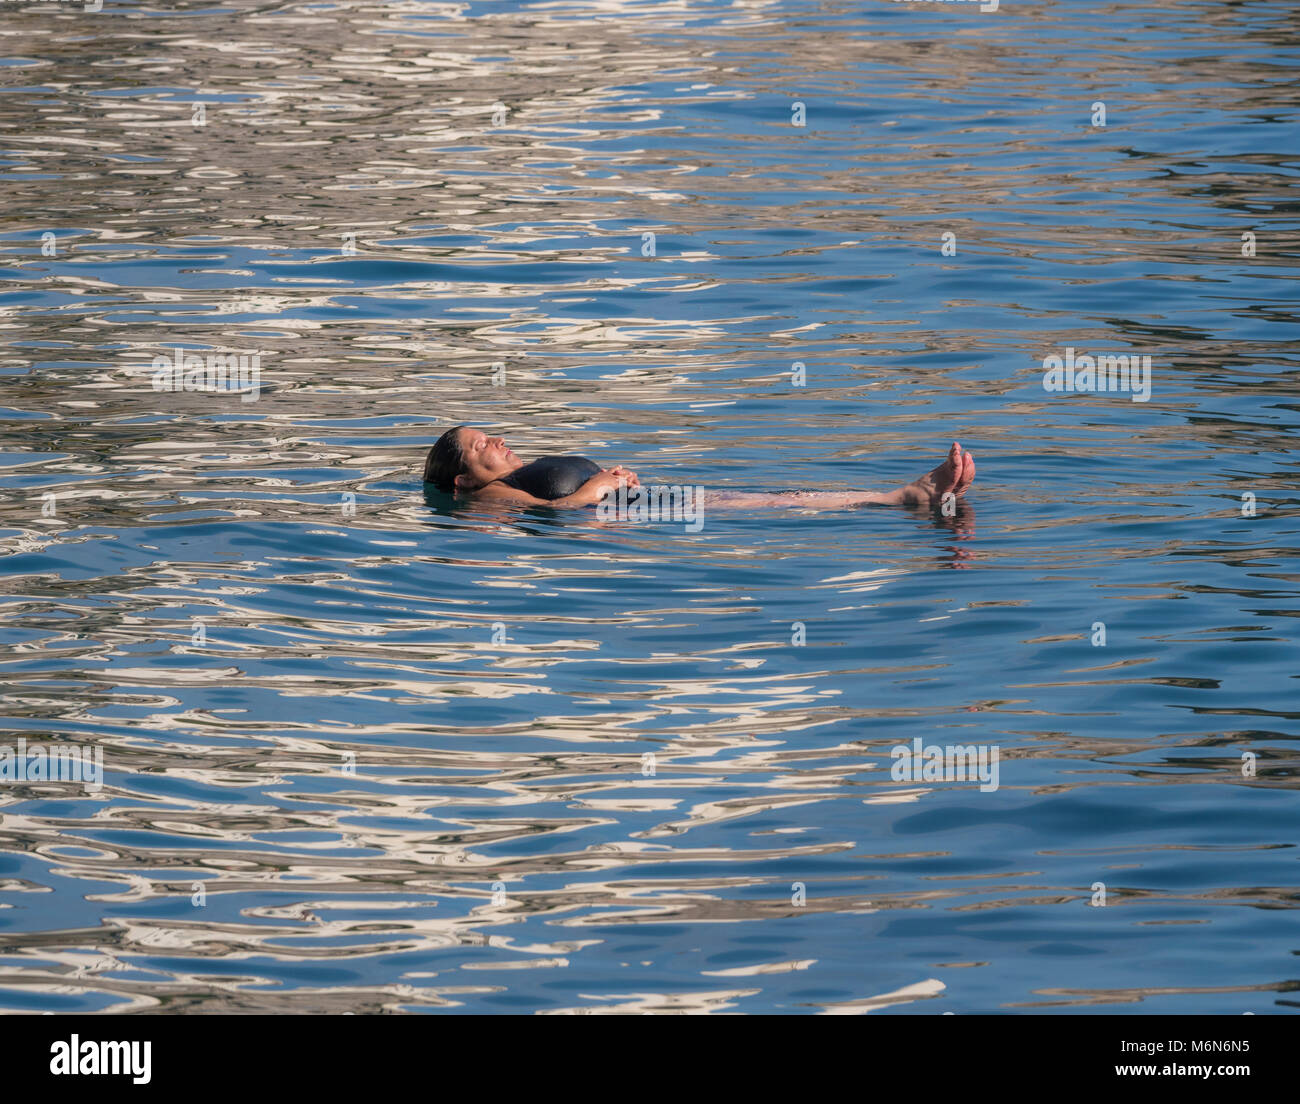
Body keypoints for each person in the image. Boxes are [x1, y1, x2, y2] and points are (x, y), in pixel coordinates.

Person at [422, 425, 975, 510]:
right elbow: (561, 509)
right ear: (463, 478)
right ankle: (906, 497)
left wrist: (615, 482)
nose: (496, 441)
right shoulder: (483, 501)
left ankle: (906, 496)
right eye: (479, 446)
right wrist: (600, 485)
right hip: (625, 518)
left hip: (634, 507)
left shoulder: (501, 481)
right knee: (770, 504)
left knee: (772, 499)